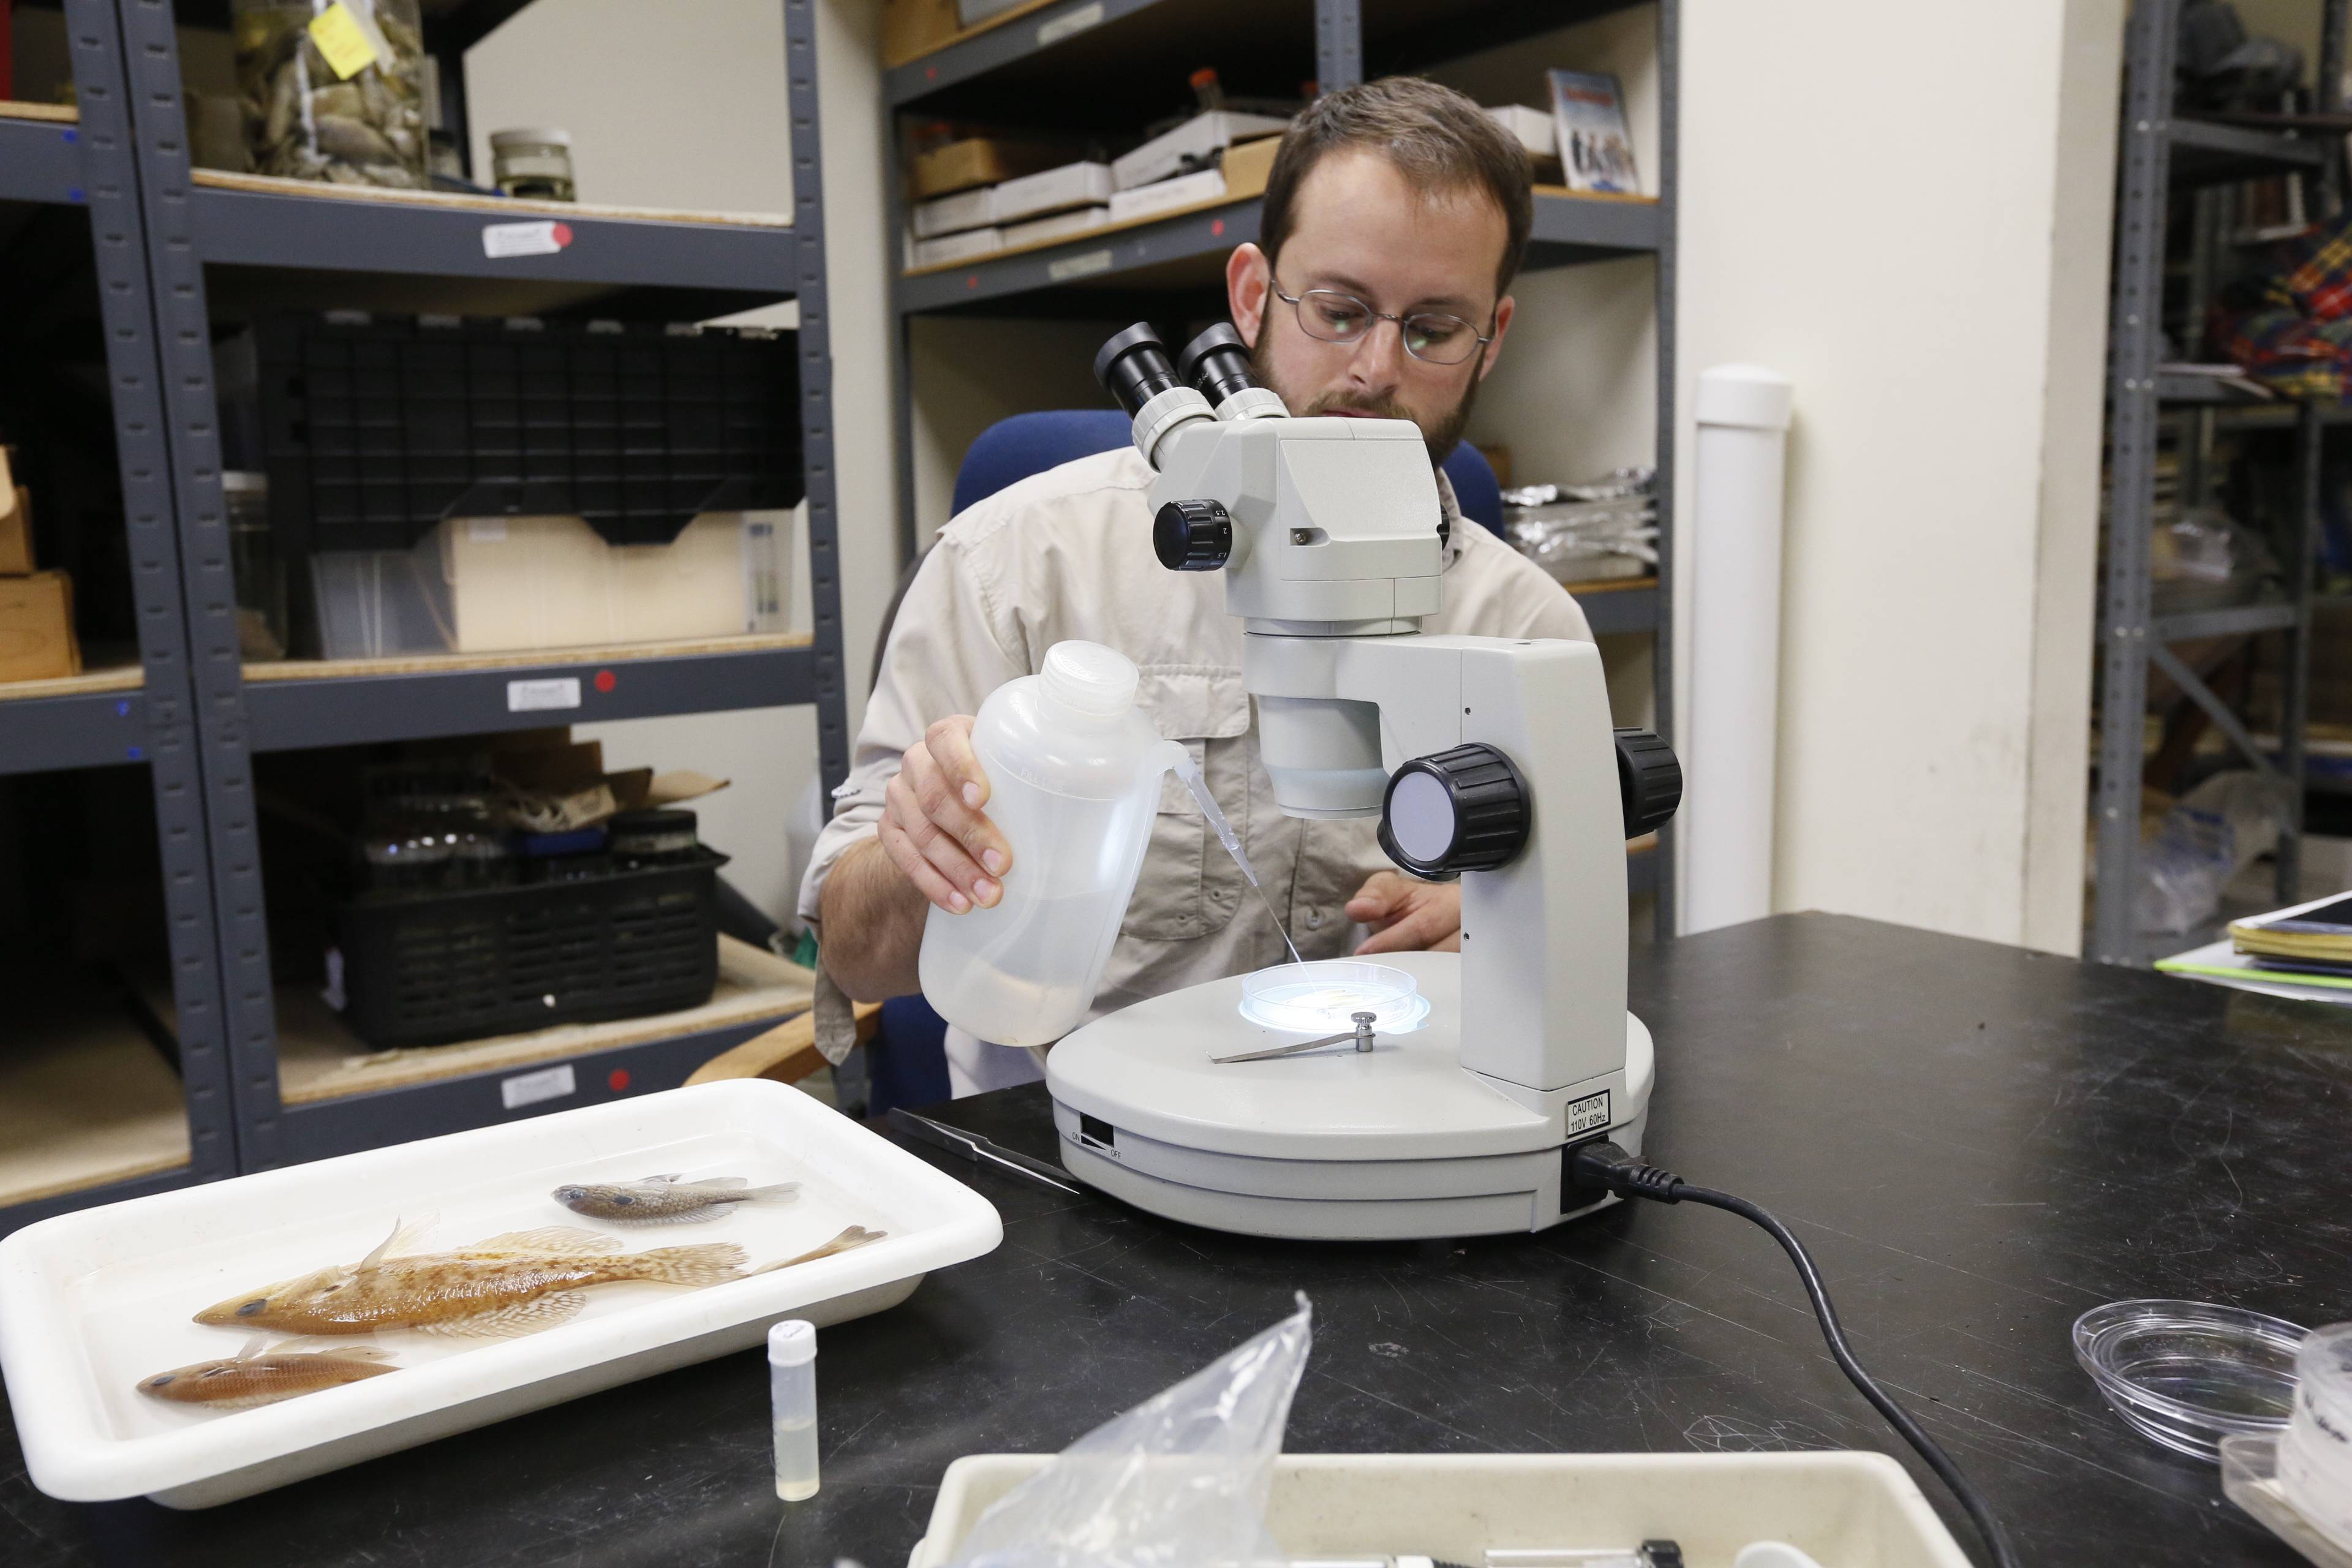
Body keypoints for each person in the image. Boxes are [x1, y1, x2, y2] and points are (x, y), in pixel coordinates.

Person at [801, 76, 1594, 1095]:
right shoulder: (1019, 562)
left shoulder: (1527, 623)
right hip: (1071, 1145)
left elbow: (1569, 945)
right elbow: (856, 956)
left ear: (1495, 334)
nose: (1375, 369)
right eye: (1340, 310)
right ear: (1254, 296)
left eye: (1434, 328)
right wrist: (923, 852)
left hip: (1384, 1126)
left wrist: (1499, 926)